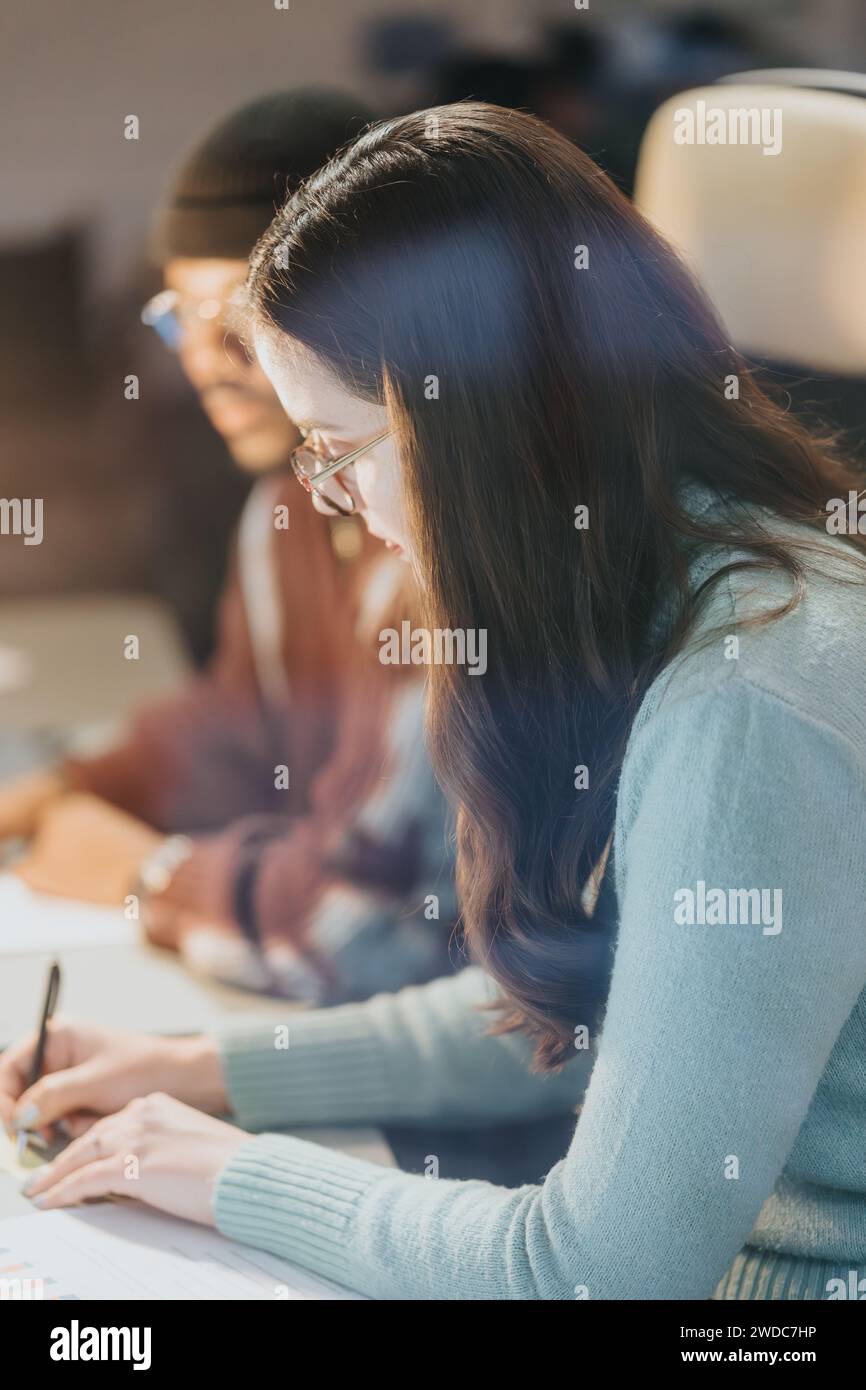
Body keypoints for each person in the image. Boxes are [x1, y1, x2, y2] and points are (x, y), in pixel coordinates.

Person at [2, 103, 866, 1300]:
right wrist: (210, 1068)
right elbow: (590, 1011)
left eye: (339, 448)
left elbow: (594, 1271)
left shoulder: (744, 704)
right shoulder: (698, 584)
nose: (334, 499)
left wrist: (226, 1173)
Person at [0, 90, 455, 1000]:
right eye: (180, 317)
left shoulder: (436, 557)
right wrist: (69, 788)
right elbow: (243, 732)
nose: (208, 363)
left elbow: (366, 931)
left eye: (240, 321)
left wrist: (143, 875)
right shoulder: (283, 508)